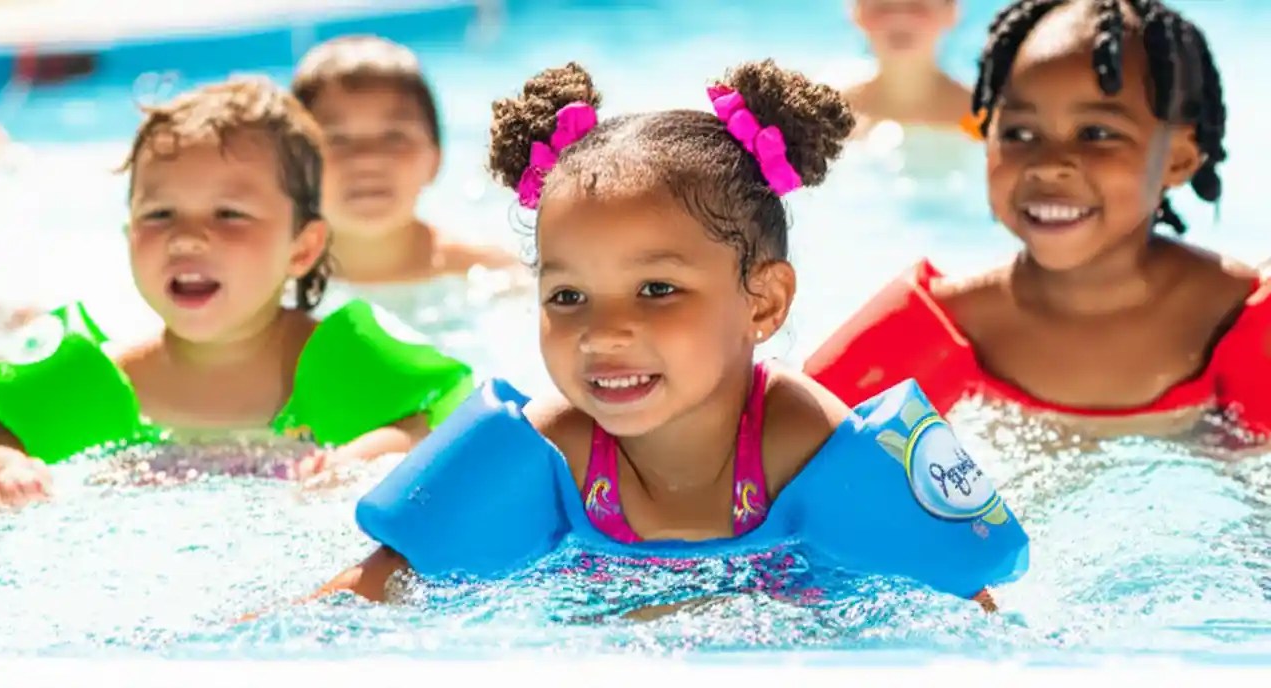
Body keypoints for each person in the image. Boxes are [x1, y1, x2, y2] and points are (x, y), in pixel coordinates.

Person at [297, 59, 1025, 611]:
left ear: (763, 302)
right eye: (568, 296)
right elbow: (354, 604)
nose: (603, 331)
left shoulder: (799, 443)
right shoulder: (557, 446)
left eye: (657, 289)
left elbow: (969, 621)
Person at [0, 78, 474, 508]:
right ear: (128, 235)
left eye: (229, 214)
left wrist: (365, 457)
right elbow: (2, 433)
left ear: (302, 249)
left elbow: (441, 421)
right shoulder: (93, 385)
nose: (187, 238)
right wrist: (7, 465)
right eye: (160, 215)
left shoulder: (345, 366)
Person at [806, 0, 1269, 438]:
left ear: (1179, 158)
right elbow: (776, 466)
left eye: (1096, 133)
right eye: (1019, 133)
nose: (1048, 164)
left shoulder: (1237, 319)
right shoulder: (943, 324)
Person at [291, 35, 519, 289]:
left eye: (394, 137)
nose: (367, 159)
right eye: (336, 140)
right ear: (295, 166)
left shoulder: (495, 274)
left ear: (435, 160)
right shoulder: (272, 284)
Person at [838, 0, 978, 139]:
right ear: (857, 13)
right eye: (883, 7)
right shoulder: (834, 116)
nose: (899, 20)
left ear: (951, 12)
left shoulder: (984, 117)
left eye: (916, 5)